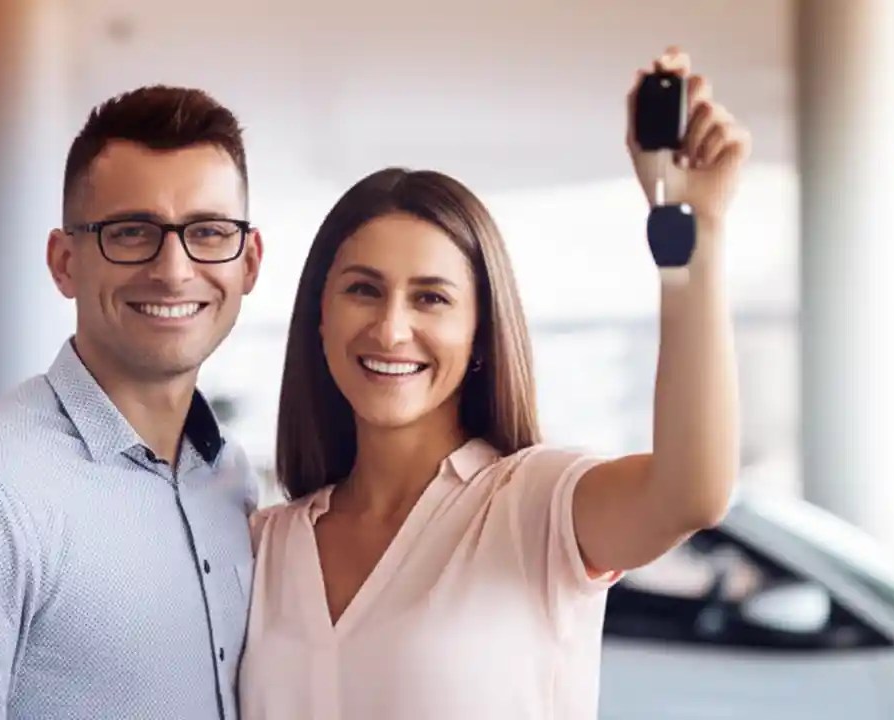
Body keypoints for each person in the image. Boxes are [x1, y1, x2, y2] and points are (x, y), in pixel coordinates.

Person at [240, 48, 749, 719]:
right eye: (364, 290)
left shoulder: (533, 508)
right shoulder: (264, 546)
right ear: (319, 318)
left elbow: (691, 493)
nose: (391, 330)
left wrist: (696, 235)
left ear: (481, 335)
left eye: (431, 299)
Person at [0, 86, 264, 720]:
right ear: (64, 262)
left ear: (249, 262)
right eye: (132, 232)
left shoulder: (228, 476)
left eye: (208, 232)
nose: (175, 270)